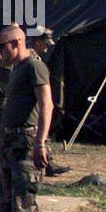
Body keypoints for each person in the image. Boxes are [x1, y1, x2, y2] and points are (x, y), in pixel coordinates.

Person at [0, 24, 52, 212]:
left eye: (1, 47)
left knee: (25, 208)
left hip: (25, 143)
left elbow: (47, 104)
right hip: (9, 143)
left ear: (16, 43)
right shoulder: (16, 69)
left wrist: (40, 142)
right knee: (7, 208)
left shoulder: (34, 67)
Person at [24, 25, 70, 177]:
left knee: (40, 131)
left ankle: (48, 163)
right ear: (37, 41)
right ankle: (46, 163)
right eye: (45, 44)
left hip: (33, 103)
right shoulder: (30, 59)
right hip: (30, 104)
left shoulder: (34, 57)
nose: (47, 48)